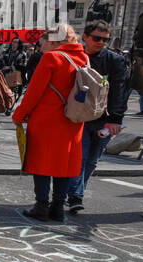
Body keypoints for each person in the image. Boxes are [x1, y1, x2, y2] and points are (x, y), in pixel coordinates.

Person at [10, 24, 89, 222]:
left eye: (43, 40)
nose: (40, 44)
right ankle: (58, 208)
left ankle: (41, 206)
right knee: (64, 165)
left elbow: (34, 92)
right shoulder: (84, 57)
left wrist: (19, 115)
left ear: (53, 40)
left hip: (47, 119)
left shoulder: (52, 58)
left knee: (42, 163)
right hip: (73, 118)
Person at [66, 20, 129, 214]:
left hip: (105, 118)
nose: (101, 42)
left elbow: (120, 90)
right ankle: (76, 195)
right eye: (97, 38)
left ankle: (76, 191)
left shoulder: (114, 61)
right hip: (81, 116)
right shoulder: (76, 57)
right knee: (80, 157)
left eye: (105, 39)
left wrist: (116, 119)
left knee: (92, 161)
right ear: (85, 37)